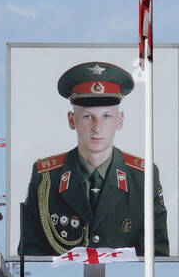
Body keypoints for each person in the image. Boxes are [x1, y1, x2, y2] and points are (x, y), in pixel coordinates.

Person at [20, 60, 169, 257]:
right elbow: (29, 255)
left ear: (120, 120)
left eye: (106, 116)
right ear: (72, 120)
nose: (97, 127)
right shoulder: (46, 177)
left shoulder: (142, 177)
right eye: (88, 117)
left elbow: (158, 257)